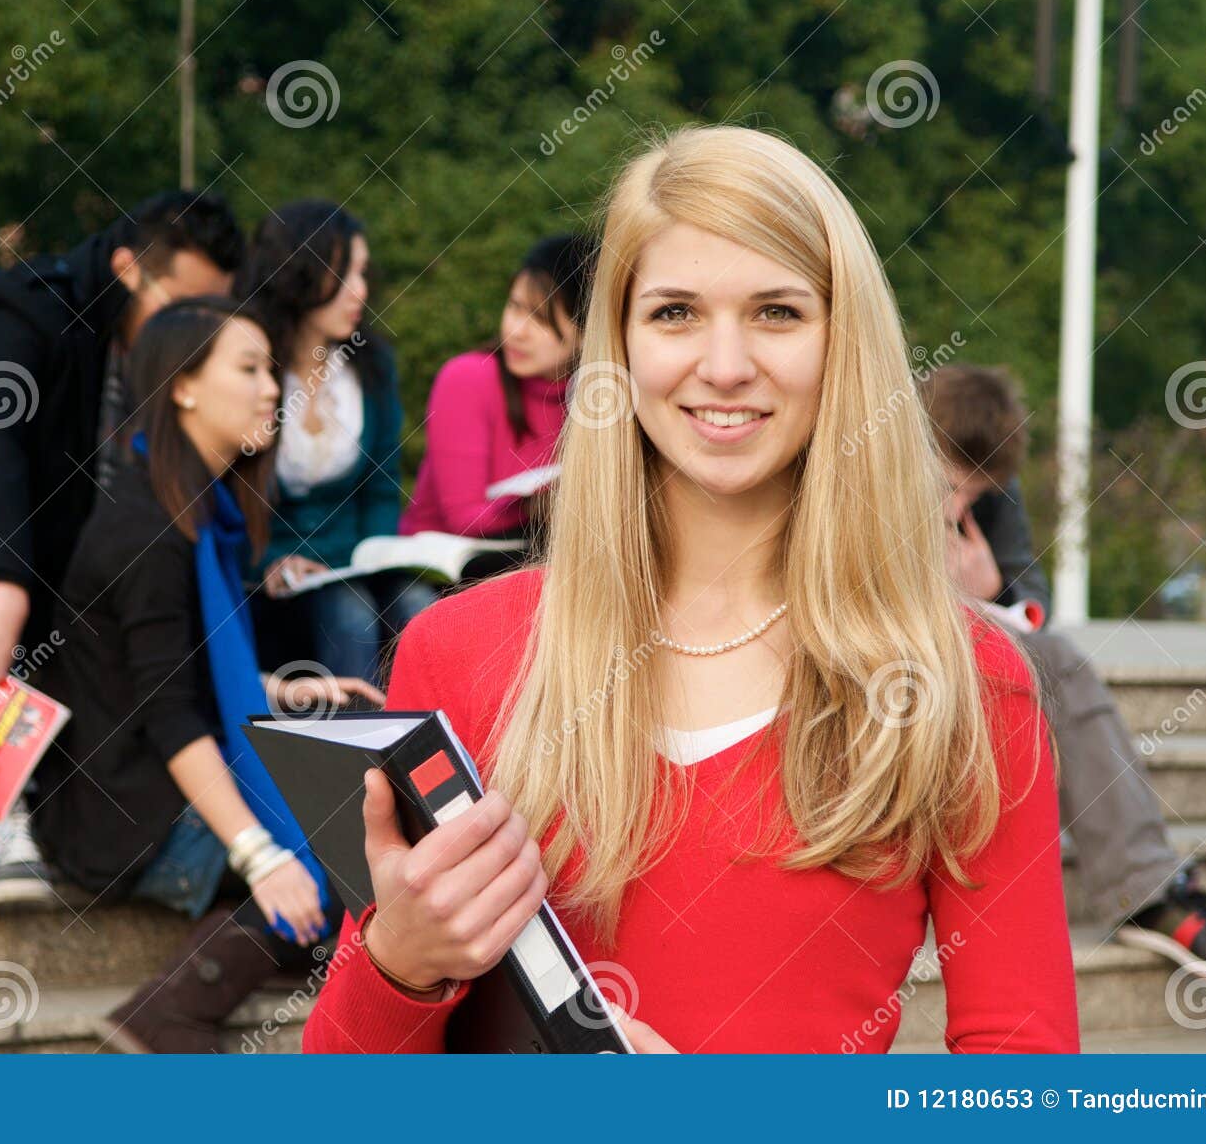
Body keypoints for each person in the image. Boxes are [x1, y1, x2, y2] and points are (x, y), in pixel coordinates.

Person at [302, 125, 1079, 1054]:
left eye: (777, 313)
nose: (723, 365)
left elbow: (1026, 1078)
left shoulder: (967, 682)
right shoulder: (459, 651)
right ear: (618, 347)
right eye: (674, 313)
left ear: (845, 344)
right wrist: (399, 961)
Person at [0, 191, 244, 905]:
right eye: (182, 309)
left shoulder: (156, 365)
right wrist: (3, 593)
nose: (194, 333)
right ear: (129, 268)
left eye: (209, 317)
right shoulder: (22, 309)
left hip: (63, 578)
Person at [30, 297, 382, 1052]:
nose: (271, 389)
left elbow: (178, 664)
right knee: (348, 864)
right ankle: (166, 1015)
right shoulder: (148, 528)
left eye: (271, 370)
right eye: (249, 369)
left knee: (368, 826)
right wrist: (262, 856)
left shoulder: (204, 514)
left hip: (158, 773)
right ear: (182, 387)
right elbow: (169, 713)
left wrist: (279, 691)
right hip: (129, 810)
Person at [922, 363, 1206, 977]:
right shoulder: (860, 460)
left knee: (1060, 662)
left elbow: (1031, 604)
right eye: (950, 486)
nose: (960, 503)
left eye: (976, 493)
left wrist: (992, 592)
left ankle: (1149, 892)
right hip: (873, 650)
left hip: (967, 654)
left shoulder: (994, 484)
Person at [236, 200, 436, 686]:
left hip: (358, 558)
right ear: (298, 275)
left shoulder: (370, 366)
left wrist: (368, 556)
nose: (360, 292)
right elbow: (227, 488)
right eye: (343, 276)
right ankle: (351, 754)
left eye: (363, 274)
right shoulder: (253, 366)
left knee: (422, 609)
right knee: (349, 614)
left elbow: (383, 487)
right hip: (272, 570)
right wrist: (265, 563)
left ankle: (437, 749)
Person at [398, 233, 595, 542]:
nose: (517, 331)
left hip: (532, 563)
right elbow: (462, 520)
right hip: (437, 570)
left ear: (585, 333)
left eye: (541, 320)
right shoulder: (468, 378)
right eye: (515, 307)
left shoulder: (597, 394)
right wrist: (535, 506)